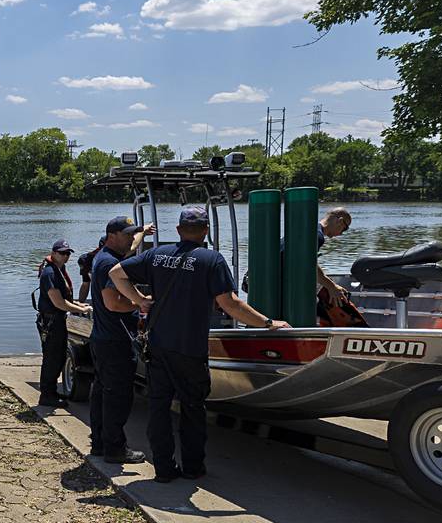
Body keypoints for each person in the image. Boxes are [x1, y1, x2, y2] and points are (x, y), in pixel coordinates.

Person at [111, 205, 288, 481]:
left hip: (158, 348)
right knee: (192, 410)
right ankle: (193, 468)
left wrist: (139, 301)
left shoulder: (156, 256)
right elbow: (230, 304)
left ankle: (164, 470)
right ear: (205, 231)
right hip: (191, 351)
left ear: (179, 231)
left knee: (159, 409)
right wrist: (268, 323)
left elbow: (116, 273)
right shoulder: (212, 260)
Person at [87, 216, 155, 463]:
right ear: (111, 236)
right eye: (127, 234)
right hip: (115, 340)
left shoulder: (106, 256)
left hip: (102, 338)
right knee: (117, 396)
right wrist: (140, 303)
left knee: (102, 393)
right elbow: (113, 303)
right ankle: (115, 449)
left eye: (131, 234)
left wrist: (143, 233)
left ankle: (100, 443)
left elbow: (131, 247)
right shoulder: (108, 264)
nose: (130, 238)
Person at [37, 239, 90, 406]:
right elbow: (58, 302)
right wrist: (80, 310)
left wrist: (78, 304)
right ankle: (46, 396)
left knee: (59, 357)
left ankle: (51, 392)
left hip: (57, 320)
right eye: (62, 253)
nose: (65, 256)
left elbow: (64, 298)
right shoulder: (50, 273)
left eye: (68, 253)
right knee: (52, 359)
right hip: (51, 322)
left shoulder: (59, 270)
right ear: (53, 253)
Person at [316, 207, 353, 301]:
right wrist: (332, 287)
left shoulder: (311, 228)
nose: (341, 234)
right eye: (345, 229)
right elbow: (309, 266)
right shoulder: (318, 236)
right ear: (340, 221)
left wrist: (329, 283)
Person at [76, 237, 103, 302]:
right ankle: (81, 304)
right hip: (87, 262)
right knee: (87, 282)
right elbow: (86, 283)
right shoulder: (87, 259)